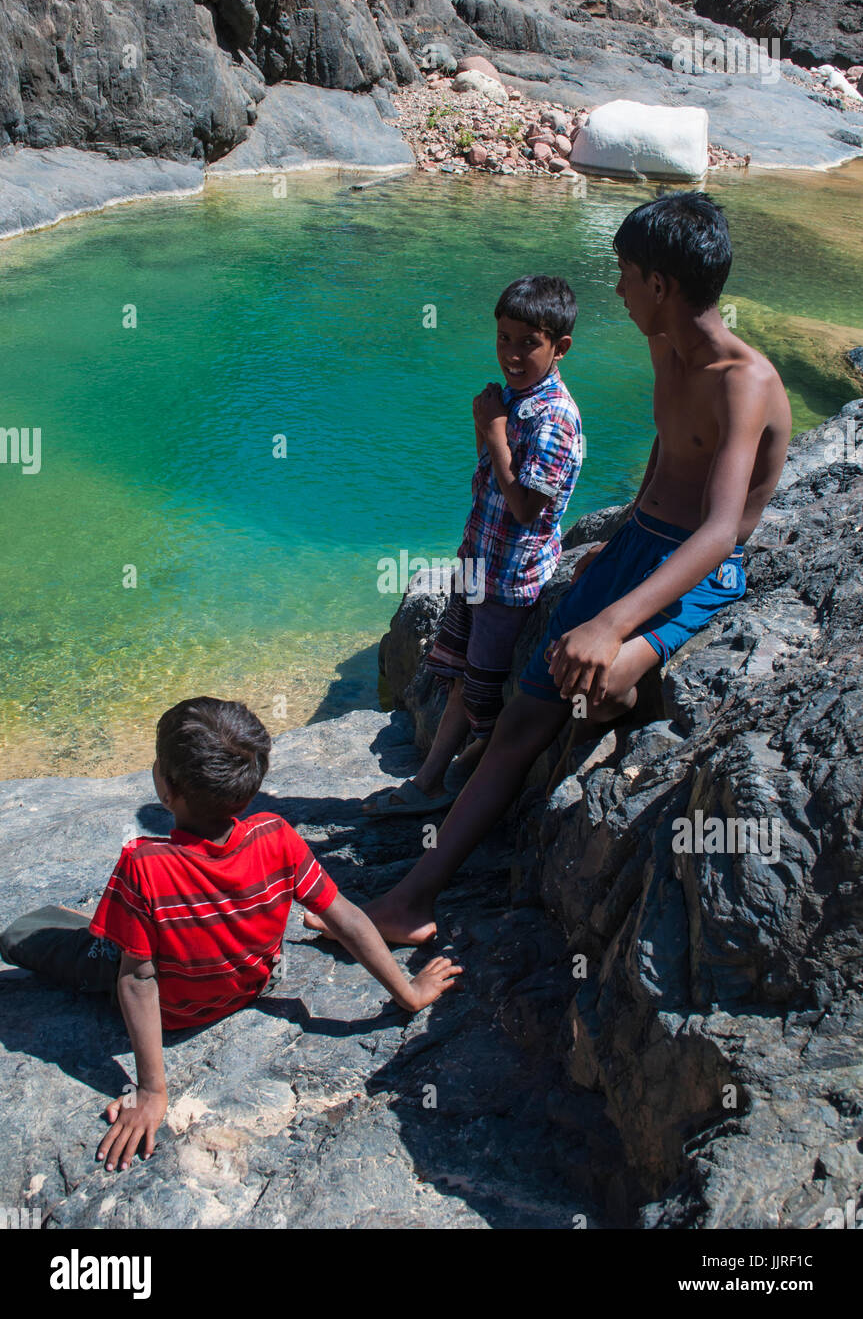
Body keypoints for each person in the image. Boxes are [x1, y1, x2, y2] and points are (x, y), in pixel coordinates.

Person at [314, 191, 792, 945]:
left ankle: (616, 689)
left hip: (701, 567)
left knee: (593, 682)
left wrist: (613, 620)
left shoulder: (744, 382)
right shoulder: (664, 348)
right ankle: (410, 902)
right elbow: (666, 455)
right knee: (523, 720)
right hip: (639, 547)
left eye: (625, 275)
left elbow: (721, 528)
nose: (617, 291)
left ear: (659, 286)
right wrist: (624, 534)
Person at [0, 697, 462, 1172]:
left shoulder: (143, 864)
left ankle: (68, 930)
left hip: (175, 1011)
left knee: (23, 934)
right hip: (253, 983)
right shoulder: (276, 834)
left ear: (166, 786)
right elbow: (346, 917)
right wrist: (407, 992)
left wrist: (152, 1092)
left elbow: (137, 982)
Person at [365, 274, 583, 817]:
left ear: (560, 348)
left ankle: (457, 781)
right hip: (478, 564)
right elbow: (488, 472)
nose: (511, 353)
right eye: (503, 338)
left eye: (528, 342)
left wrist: (494, 432)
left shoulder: (554, 417)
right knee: (458, 673)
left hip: (511, 579)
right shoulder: (514, 397)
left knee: (481, 690)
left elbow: (526, 507)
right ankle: (435, 777)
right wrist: (486, 428)